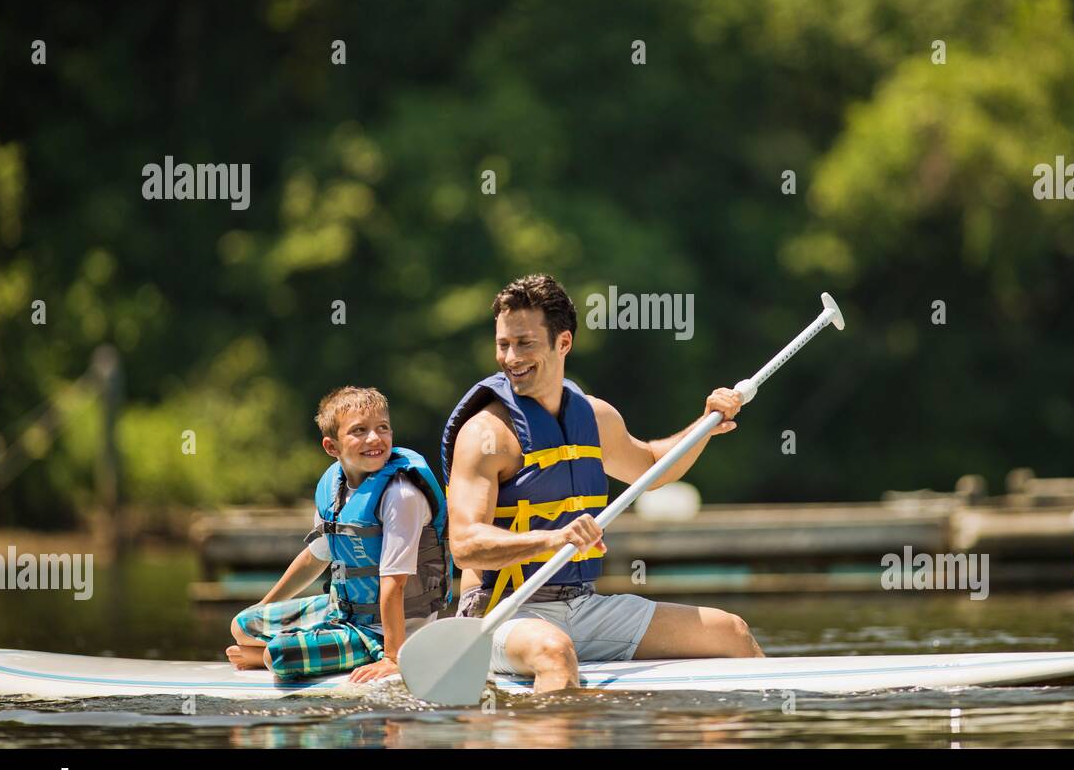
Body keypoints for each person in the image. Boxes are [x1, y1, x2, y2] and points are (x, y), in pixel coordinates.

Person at [442, 274, 762, 693]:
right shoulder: (485, 435)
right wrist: (552, 539)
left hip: (583, 604)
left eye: (525, 343)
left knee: (731, 632)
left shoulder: (594, 418)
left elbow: (652, 467)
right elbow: (464, 545)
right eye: (503, 344)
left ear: (563, 343)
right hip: (501, 613)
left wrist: (705, 425)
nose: (510, 357)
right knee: (555, 653)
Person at [226, 386, 448, 683]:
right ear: (332, 447)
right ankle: (317, 640)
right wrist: (265, 606)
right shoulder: (333, 488)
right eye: (359, 431)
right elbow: (315, 556)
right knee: (242, 625)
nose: (375, 438)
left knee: (276, 655)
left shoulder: (401, 495)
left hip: (389, 631)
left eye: (383, 428)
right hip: (343, 611)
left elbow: (394, 584)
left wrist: (393, 659)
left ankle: (270, 654)